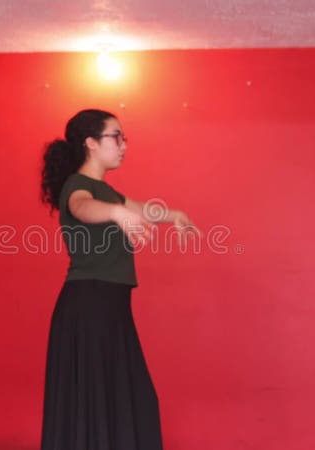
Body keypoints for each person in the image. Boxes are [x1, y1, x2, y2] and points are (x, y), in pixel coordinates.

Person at [40, 109, 198, 450]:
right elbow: (83, 207)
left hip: (109, 308)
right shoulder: (79, 187)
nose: (124, 145)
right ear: (92, 144)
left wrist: (174, 216)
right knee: (103, 399)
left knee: (123, 398)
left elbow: (140, 208)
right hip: (90, 306)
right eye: (117, 136)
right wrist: (114, 213)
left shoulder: (106, 191)